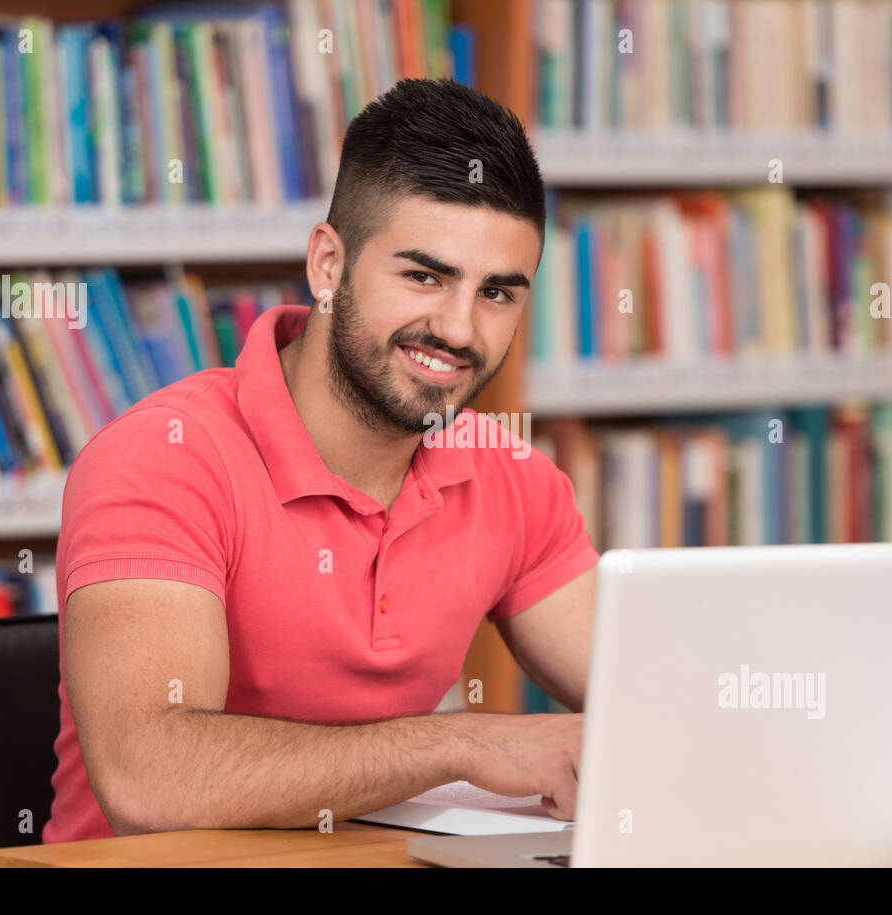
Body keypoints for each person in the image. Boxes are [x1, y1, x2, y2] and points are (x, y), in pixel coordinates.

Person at [43, 78, 598, 843]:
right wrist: (461, 743)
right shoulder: (163, 459)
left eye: (497, 293)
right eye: (425, 276)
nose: (459, 329)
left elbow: (658, 699)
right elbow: (152, 777)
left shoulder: (513, 478)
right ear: (328, 265)